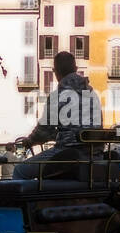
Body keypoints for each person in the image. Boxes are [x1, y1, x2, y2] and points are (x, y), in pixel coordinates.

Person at [13, 51, 103, 180]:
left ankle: (31, 200)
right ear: (76, 69)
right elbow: (79, 130)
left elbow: (42, 132)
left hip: (67, 156)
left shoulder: (58, 96)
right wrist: (54, 136)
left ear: (55, 72)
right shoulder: (92, 94)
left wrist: (29, 141)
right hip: (94, 156)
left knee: (19, 171)